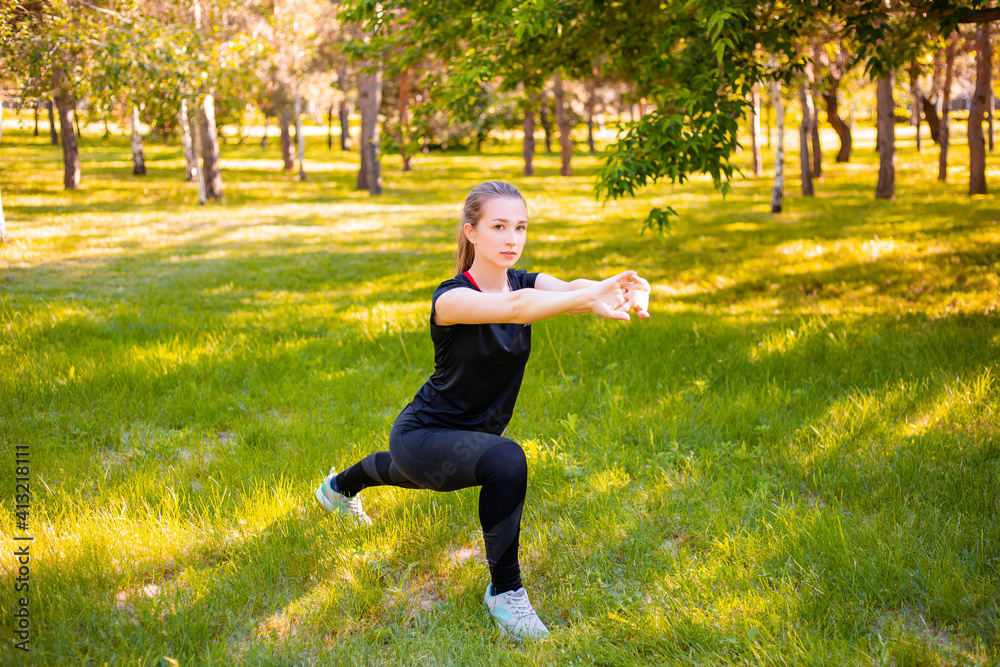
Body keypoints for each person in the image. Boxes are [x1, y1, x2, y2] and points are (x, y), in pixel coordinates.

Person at [315, 181, 650, 641]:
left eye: (520, 227)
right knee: (504, 459)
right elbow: (515, 309)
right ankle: (504, 592)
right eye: (498, 227)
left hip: (464, 438)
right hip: (423, 432)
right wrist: (589, 297)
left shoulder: (526, 281)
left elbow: (570, 289)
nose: (512, 238)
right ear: (471, 233)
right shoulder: (451, 299)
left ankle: (337, 488)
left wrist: (621, 291)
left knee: (414, 474)